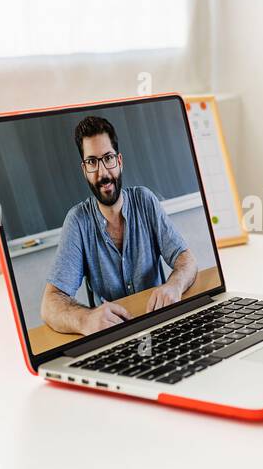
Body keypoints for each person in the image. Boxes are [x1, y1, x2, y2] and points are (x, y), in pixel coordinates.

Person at [41, 115, 198, 336]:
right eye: (92, 162)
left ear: (120, 161)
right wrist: (86, 319)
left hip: (161, 325)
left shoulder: (145, 200)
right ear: (84, 170)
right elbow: (50, 304)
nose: (103, 173)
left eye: (108, 158)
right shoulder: (78, 221)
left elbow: (187, 260)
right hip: (113, 335)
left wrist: (175, 285)